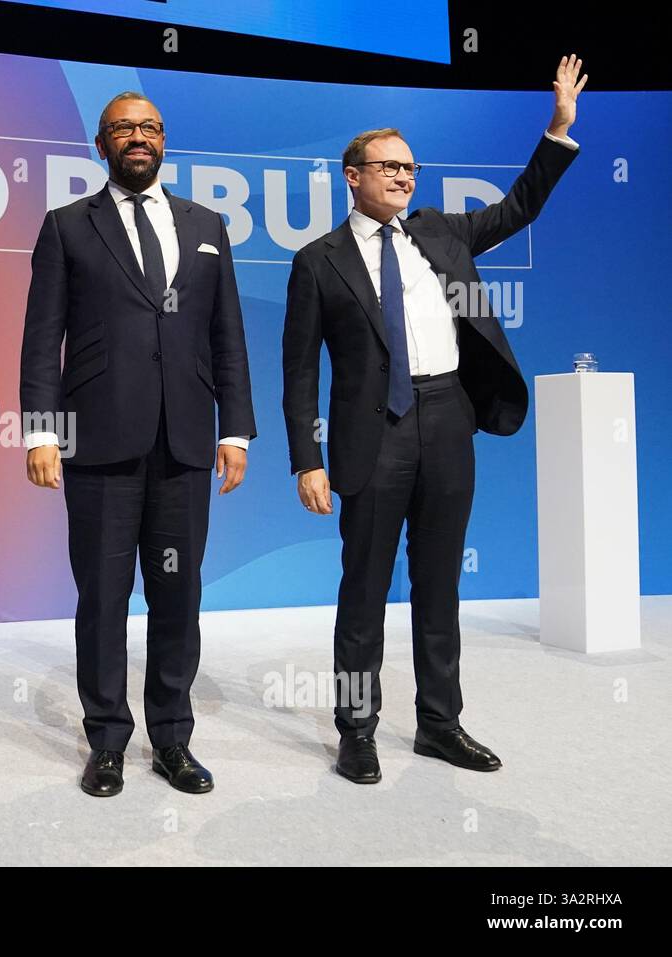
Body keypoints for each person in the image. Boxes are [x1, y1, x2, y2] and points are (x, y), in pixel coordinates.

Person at [281, 56, 587, 784]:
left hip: (448, 416)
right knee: (363, 587)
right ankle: (357, 730)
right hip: (371, 429)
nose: (403, 177)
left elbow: (519, 207)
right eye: (388, 166)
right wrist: (306, 458)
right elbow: (298, 371)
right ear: (350, 174)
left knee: (440, 582)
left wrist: (558, 129)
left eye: (411, 167)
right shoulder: (317, 262)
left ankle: (439, 724)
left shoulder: (444, 234)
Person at [20, 92, 256, 797]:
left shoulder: (206, 224)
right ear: (101, 145)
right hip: (96, 445)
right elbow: (42, 338)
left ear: (164, 141)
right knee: (102, 598)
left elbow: (228, 336)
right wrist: (40, 430)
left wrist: (235, 428)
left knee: (178, 597)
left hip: (184, 443)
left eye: (149, 127)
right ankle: (108, 741)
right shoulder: (67, 226)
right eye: (123, 128)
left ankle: (174, 739)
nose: (138, 137)